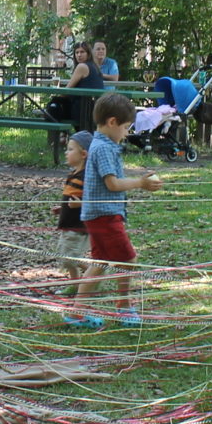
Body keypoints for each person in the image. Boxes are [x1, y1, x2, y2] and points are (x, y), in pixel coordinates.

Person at [71, 91, 165, 328]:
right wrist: (140, 184)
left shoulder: (103, 145)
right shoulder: (103, 148)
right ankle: (124, 306)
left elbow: (110, 179)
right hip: (104, 215)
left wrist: (136, 180)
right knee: (129, 259)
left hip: (98, 215)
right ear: (112, 122)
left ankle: (76, 312)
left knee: (100, 263)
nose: (126, 133)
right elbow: (111, 183)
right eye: (125, 127)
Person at [55, 131, 97, 293]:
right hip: (68, 224)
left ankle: (95, 273)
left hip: (78, 226)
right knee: (66, 255)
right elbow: (73, 199)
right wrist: (62, 208)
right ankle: (75, 285)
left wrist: (82, 204)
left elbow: (93, 200)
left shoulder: (87, 176)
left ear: (84, 154)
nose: (66, 152)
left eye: (70, 149)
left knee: (69, 258)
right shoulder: (74, 174)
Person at [65, 40, 105, 132]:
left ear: (88, 53)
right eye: (77, 52)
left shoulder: (82, 67)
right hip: (96, 107)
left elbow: (66, 91)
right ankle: (64, 136)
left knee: (54, 107)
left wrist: (57, 96)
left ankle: (61, 137)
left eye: (82, 52)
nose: (79, 55)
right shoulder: (95, 66)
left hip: (85, 109)